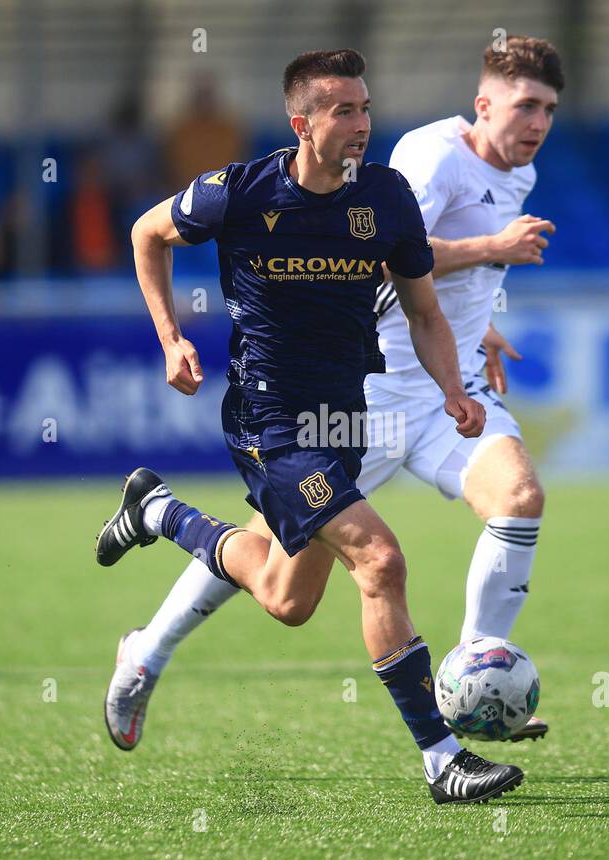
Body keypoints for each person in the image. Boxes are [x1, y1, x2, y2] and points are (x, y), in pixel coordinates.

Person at [107, 36, 563, 746]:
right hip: (362, 396)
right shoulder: (424, 160)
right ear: (484, 104)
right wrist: (492, 249)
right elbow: (402, 261)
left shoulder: (500, 178)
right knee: (305, 575)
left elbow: (420, 281)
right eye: (525, 105)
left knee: (518, 501)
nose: (537, 122)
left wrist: (481, 330)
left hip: (440, 392)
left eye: (548, 109)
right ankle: (150, 644)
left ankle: (475, 673)